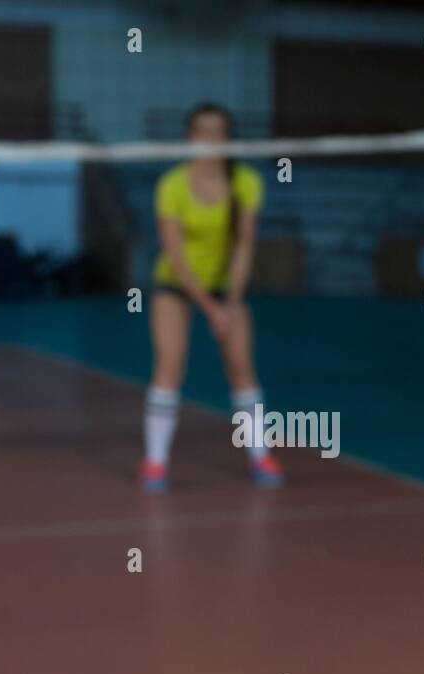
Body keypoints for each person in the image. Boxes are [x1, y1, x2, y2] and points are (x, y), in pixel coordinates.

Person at [141, 102, 283, 492]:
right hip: (176, 283)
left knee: (241, 367)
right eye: (202, 131)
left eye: (218, 131)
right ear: (190, 138)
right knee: (170, 363)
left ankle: (260, 456)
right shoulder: (172, 185)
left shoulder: (247, 183)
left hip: (227, 287)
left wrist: (231, 303)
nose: (210, 139)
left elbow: (244, 246)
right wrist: (209, 307)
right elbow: (174, 253)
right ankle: (155, 463)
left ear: (228, 138)